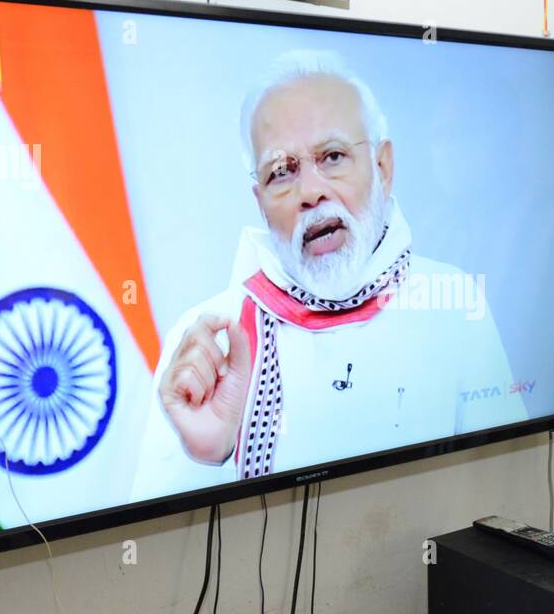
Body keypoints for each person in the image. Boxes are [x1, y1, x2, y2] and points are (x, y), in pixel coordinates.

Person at [131, 50, 525, 500]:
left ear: (383, 168)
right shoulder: (207, 339)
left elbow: (505, 497)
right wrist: (207, 458)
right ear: (260, 202)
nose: (312, 192)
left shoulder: (454, 304)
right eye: (282, 172)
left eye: (333, 156)